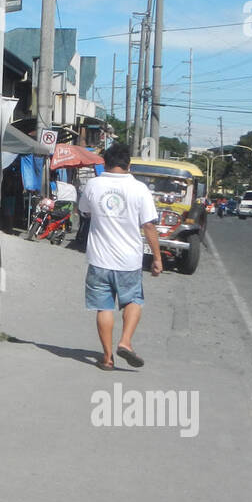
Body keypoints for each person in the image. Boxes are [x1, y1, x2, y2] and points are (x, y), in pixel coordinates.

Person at [76, 142, 161, 370]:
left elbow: (84, 210)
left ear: (105, 161)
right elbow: (149, 227)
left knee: (104, 308)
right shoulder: (140, 189)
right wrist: (157, 258)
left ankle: (107, 358)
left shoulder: (93, 185)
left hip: (99, 260)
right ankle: (125, 341)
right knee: (133, 300)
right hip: (129, 261)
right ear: (128, 164)